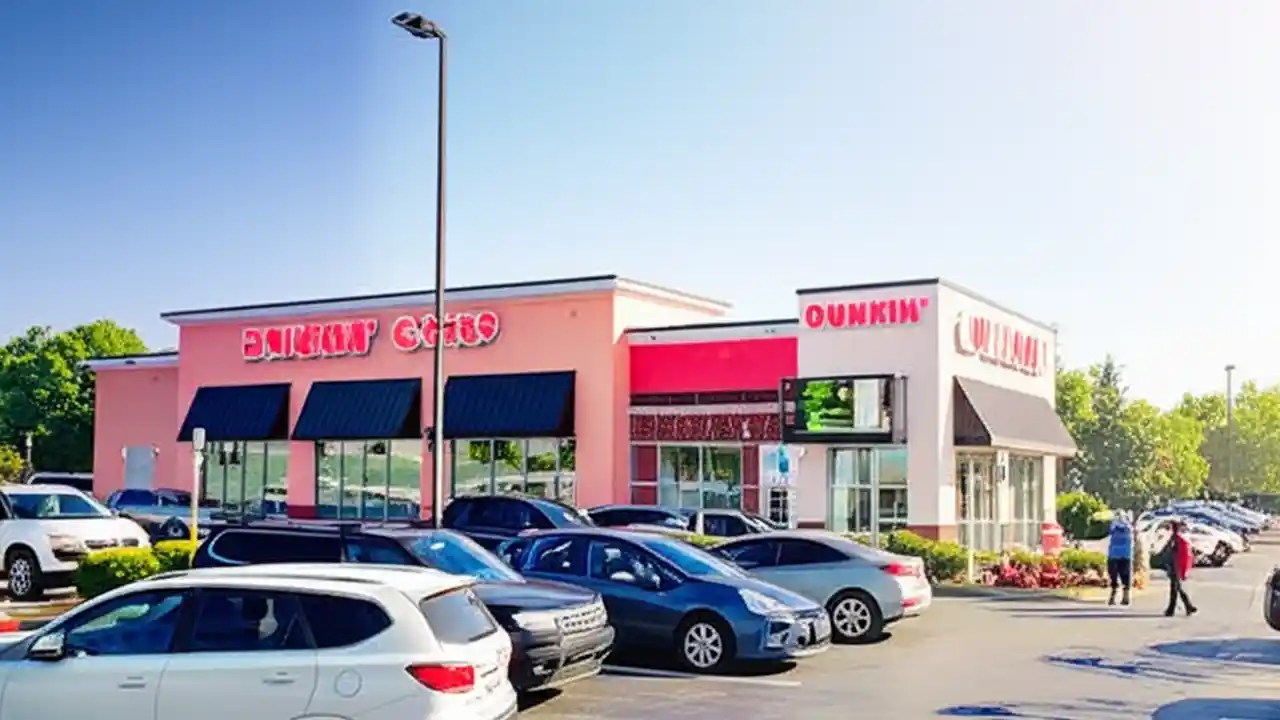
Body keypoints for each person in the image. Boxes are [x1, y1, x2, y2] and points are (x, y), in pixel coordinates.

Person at [1165, 520, 1198, 617]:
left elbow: (1176, 555)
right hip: (1175, 567)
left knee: (1175, 589)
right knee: (1176, 589)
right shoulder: (1177, 539)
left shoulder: (1176, 540)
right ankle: (1188, 606)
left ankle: (1173, 609)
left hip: (1175, 567)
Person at [1106, 510, 1134, 606]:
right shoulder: (1125, 528)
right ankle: (1121, 597)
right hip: (1122, 555)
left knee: (1117, 576)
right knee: (1122, 576)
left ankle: (1117, 597)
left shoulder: (1118, 527)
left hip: (1117, 555)